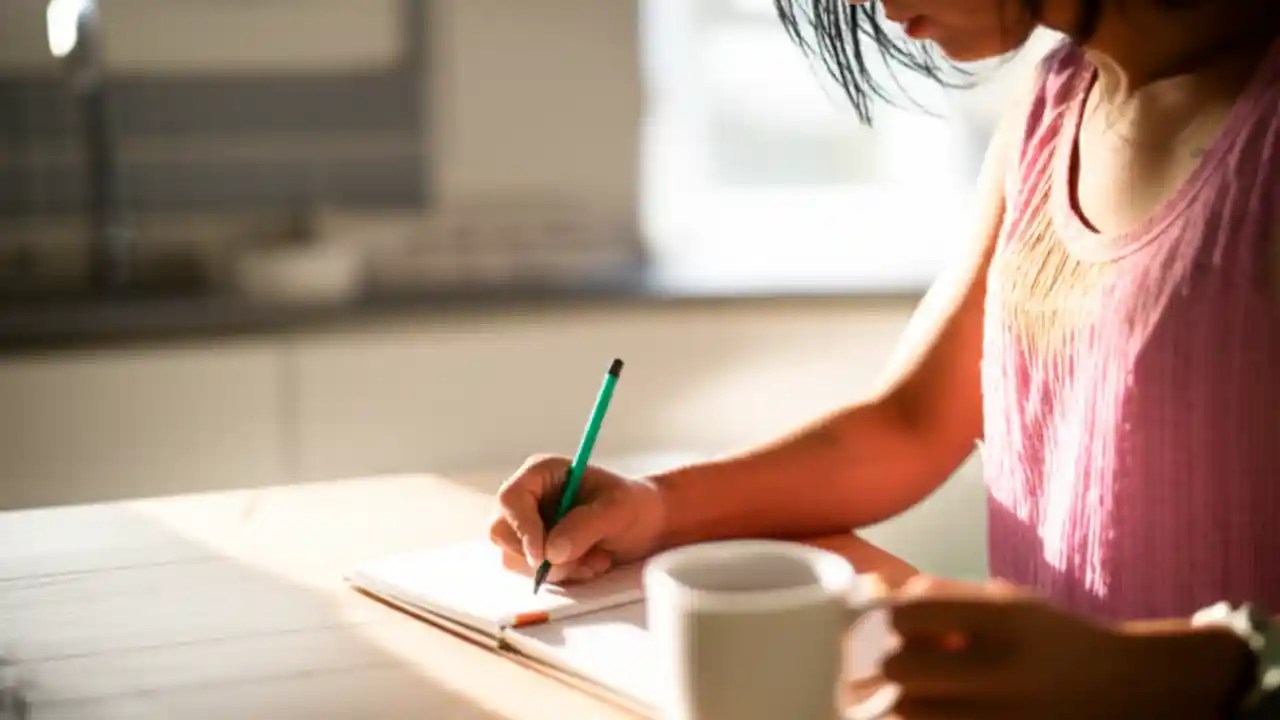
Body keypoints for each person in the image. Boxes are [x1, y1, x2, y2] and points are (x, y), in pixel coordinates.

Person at [490, 0, 1280, 716]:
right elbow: (911, 423)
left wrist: (1140, 674)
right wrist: (653, 506)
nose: (885, 9)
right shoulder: (1053, 108)